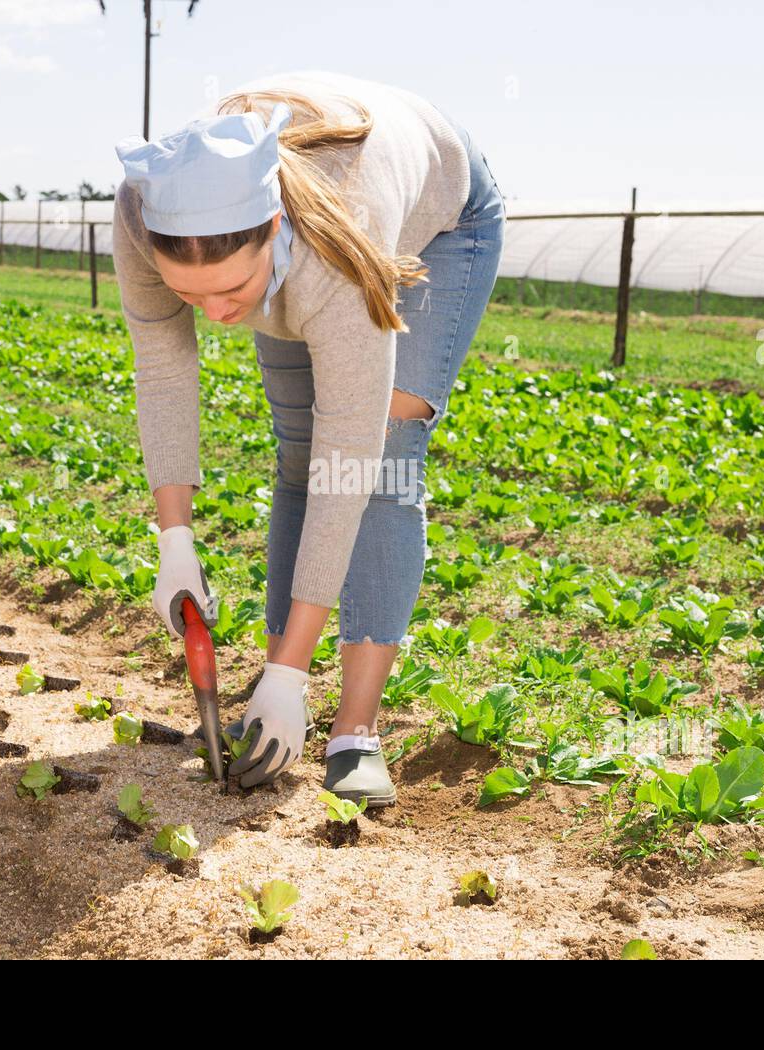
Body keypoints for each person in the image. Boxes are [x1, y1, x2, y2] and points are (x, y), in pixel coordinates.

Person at [112, 70, 505, 806]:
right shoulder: (144, 215)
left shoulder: (334, 254)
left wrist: (296, 674)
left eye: (234, 290)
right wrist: (174, 542)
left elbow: (346, 466)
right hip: (304, 246)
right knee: (298, 457)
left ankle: (354, 731)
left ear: (272, 230)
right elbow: (165, 378)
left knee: (382, 463)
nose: (219, 313)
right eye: (191, 296)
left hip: (443, 222)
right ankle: (273, 700)